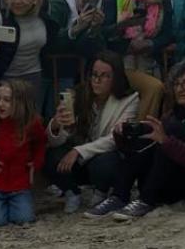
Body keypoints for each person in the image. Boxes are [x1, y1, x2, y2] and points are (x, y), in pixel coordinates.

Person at [93, 59, 185, 221]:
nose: (181, 89)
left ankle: (146, 200)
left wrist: (166, 142)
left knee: (168, 131)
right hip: (179, 182)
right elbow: (143, 154)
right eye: (177, 84)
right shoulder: (174, 113)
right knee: (151, 132)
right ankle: (119, 196)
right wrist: (124, 137)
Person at [49, 52, 137, 215]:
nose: (97, 80)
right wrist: (57, 124)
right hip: (80, 158)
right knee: (51, 156)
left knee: (106, 162)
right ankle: (72, 192)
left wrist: (79, 151)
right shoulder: (79, 93)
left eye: (104, 76)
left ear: (115, 77)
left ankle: (102, 191)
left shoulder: (129, 99)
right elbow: (56, 140)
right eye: (94, 75)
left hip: (101, 157)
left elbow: (114, 139)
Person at [0, 79, 46, 226]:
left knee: (24, 218)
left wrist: (35, 164)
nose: (0, 104)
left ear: (20, 102)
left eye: (7, 100)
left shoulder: (31, 123)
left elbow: (41, 143)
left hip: (19, 184)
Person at [0, 0, 57, 109]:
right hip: (3, 79)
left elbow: (56, 41)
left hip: (34, 79)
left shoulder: (44, 18)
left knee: (29, 124)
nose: (18, 0)